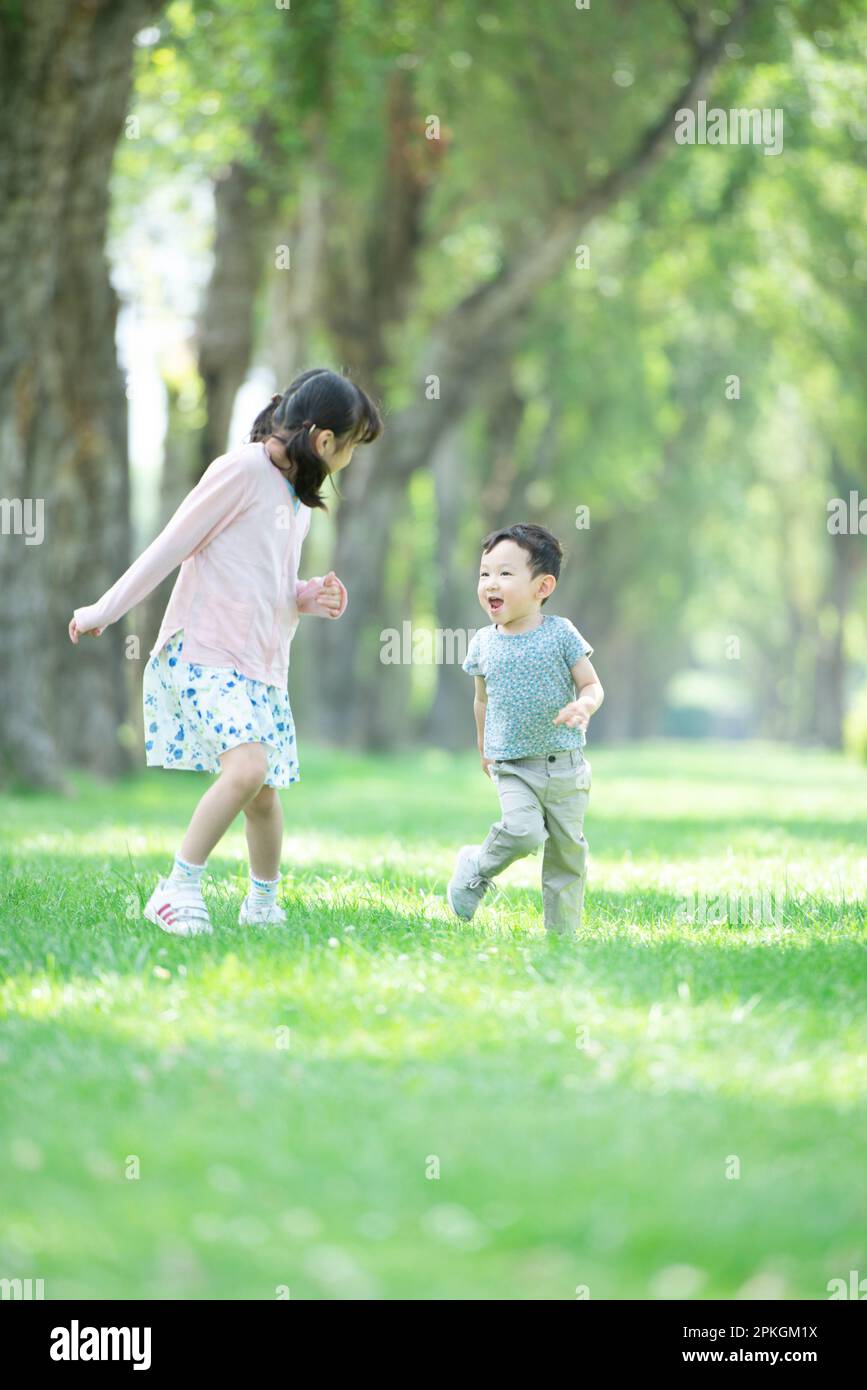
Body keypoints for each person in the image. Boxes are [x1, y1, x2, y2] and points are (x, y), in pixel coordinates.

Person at [69, 367, 382, 936]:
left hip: (260, 667)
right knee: (247, 769)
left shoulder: (294, 500)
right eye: (352, 448)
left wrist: (305, 596)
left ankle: (262, 904)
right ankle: (176, 889)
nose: (349, 463)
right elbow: (169, 547)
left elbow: (265, 583)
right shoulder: (240, 471)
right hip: (207, 655)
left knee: (263, 794)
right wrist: (104, 610)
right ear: (325, 441)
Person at [446, 523, 603, 938]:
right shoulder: (483, 642)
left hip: (566, 767)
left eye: (505, 574)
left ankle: (561, 939)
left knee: (568, 855)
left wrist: (584, 704)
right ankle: (476, 868)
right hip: (513, 764)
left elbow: (591, 684)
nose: (490, 584)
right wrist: (484, 747)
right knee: (522, 830)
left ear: (542, 586)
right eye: (484, 574)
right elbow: (482, 700)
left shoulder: (561, 633)